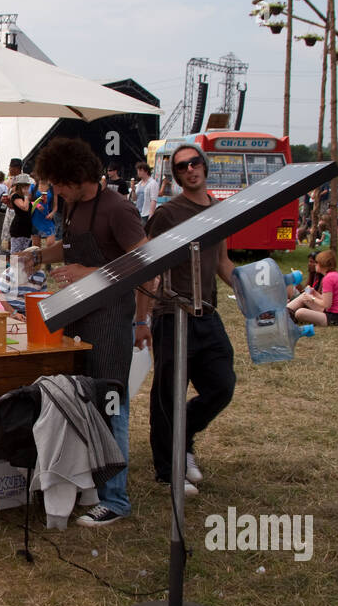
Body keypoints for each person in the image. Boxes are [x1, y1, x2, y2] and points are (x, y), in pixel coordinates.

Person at [31, 138, 150, 528]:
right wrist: (38, 256)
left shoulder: (119, 209)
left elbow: (147, 263)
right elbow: (70, 247)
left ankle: (116, 501)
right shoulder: (71, 204)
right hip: (79, 314)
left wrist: (91, 275)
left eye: (58, 184)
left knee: (111, 402)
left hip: (112, 319)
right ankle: (87, 484)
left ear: (79, 177)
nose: (54, 192)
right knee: (81, 398)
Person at [143, 144, 237, 496]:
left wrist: (249, 293)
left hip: (207, 314)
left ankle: (183, 438)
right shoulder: (169, 213)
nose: (190, 170)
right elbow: (145, 259)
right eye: (181, 167)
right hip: (172, 313)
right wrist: (142, 316)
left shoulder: (218, 210)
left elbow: (224, 262)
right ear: (176, 175)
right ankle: (168, 470)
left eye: (195, 163)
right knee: (168, 392)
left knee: (222, 385)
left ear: (205, 166)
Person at [286, 249, 338, 327]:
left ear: (322, 264)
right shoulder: (334, 275)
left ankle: (283, 315)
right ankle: (285, 313)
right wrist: (315, 294)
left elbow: (326, 304)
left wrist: (312, 298)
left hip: (336, 317)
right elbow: (327, 300)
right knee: (303, 297)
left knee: (300, 312)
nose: (315, 265)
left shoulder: (328, 279)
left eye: (316, 263)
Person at [30, 179, 57, 247]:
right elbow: (28, 201)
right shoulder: (33, 187)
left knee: (51, 244)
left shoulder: (52, 187)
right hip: (35, 220)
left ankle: (48, 257)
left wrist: (52, 213)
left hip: (48, 219)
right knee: (36, 247)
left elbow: (56, 206)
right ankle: (40, 258)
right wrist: (37, 205)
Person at [8, 183, 33, 254]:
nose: (28, 189)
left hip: (27, 229)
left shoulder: (24, 197)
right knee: (15, 254)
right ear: (21, 187)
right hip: (18, 229)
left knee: (25, 254)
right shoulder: (16, 196)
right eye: (27, 187)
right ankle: (14, 265)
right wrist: (26, 196)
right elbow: (24, 208)